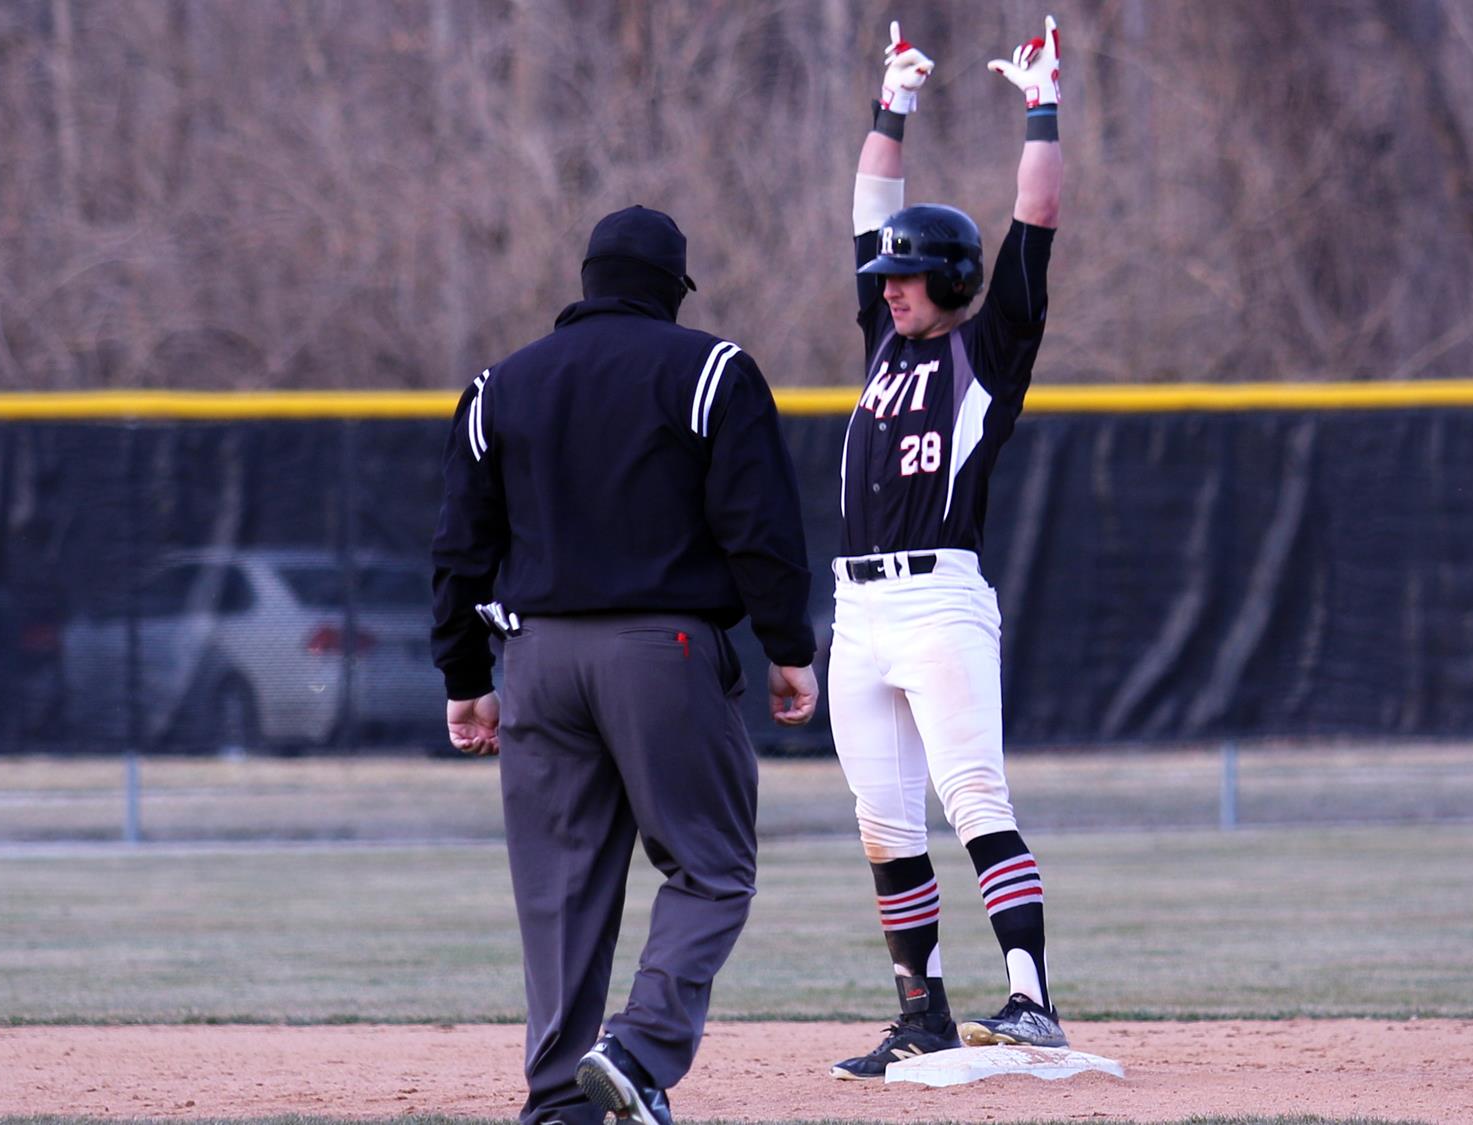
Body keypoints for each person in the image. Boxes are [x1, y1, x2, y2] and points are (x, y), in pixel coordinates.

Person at [431, 205, 820, 1125]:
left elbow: (458, 545)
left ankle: (560, 1102)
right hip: (663, 650)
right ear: (671, 291)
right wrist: (788, 647)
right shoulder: (710, 370)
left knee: (559, 892)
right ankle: (638, 1052)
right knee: (713, 865)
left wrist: (463, 675)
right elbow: (758, 525)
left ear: (588, 281)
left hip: (535, 657)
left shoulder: (502, 384)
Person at [824, 16, 1066, 1081]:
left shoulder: (987, 346)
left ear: (952, 281)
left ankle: (1028, 998)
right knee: (885, 820)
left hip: (938, 601)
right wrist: (893, 104)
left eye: (905, 277)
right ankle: (918, 1011)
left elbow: (1037, 220)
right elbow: (870, 208)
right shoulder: (884, 338)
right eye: (883, 278)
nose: (887, 286)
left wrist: (1043, 108)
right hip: (858, 612)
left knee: (974, 799)